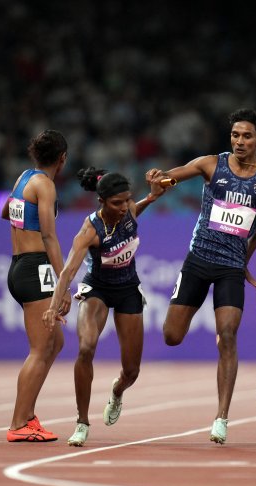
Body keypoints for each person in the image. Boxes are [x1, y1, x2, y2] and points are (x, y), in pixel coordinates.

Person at [146, 109, 256, 444]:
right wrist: (159, 181)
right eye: (235, 135)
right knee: (171, 335)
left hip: (231, 267)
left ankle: (221, 418)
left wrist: (246, 258)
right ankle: (220, 339)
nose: (239, 141)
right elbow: (174, 176)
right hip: (199, 260)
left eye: (246, 136)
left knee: (229, 335)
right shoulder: (212, 164)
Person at [42, 168, 168, 446]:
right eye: (116, 203)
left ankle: (117, 391)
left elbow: (138, 209)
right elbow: (67, 272)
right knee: (86, 347)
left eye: (126, 201)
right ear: (102, 202)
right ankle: (82, 422)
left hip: (128, 290)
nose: (123, 208)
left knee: (132, 371)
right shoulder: (90, 231)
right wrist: (53, 307)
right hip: (97, 289)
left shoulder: (130, 209)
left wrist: (151, 198)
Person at [2, 129, 71, 443]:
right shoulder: (46, 185)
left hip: (20, 265)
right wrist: (63, 283)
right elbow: (48, 236)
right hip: (35, 268)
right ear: (62, 158)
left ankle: (28, 414)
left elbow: (6, 211)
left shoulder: (23, 178)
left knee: (55, 343)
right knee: (41, 348)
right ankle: (19, 423)